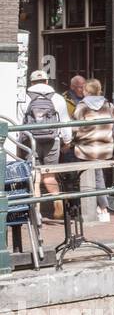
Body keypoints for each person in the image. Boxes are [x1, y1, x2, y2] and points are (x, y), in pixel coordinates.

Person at [66, 78, 114, 224]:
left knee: (87, 177)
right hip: (104, 148)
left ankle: (98, 209)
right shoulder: (109, 105)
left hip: (86, 148)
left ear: (86, 90)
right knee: (98, 176)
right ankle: (100, 208)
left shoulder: (82, 106)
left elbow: (74, 127)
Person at [19, 70, 72, 220]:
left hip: (31, 141)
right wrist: (67, 141)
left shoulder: (23, 97)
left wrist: (18, 142)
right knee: (49, 175)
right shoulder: (58, 98)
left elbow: (18, 122)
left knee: (34, 175)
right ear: (47, 81)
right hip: (52, 140)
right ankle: (58, 201)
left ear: (31, 83)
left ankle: (36, 212)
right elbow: (64, 121)